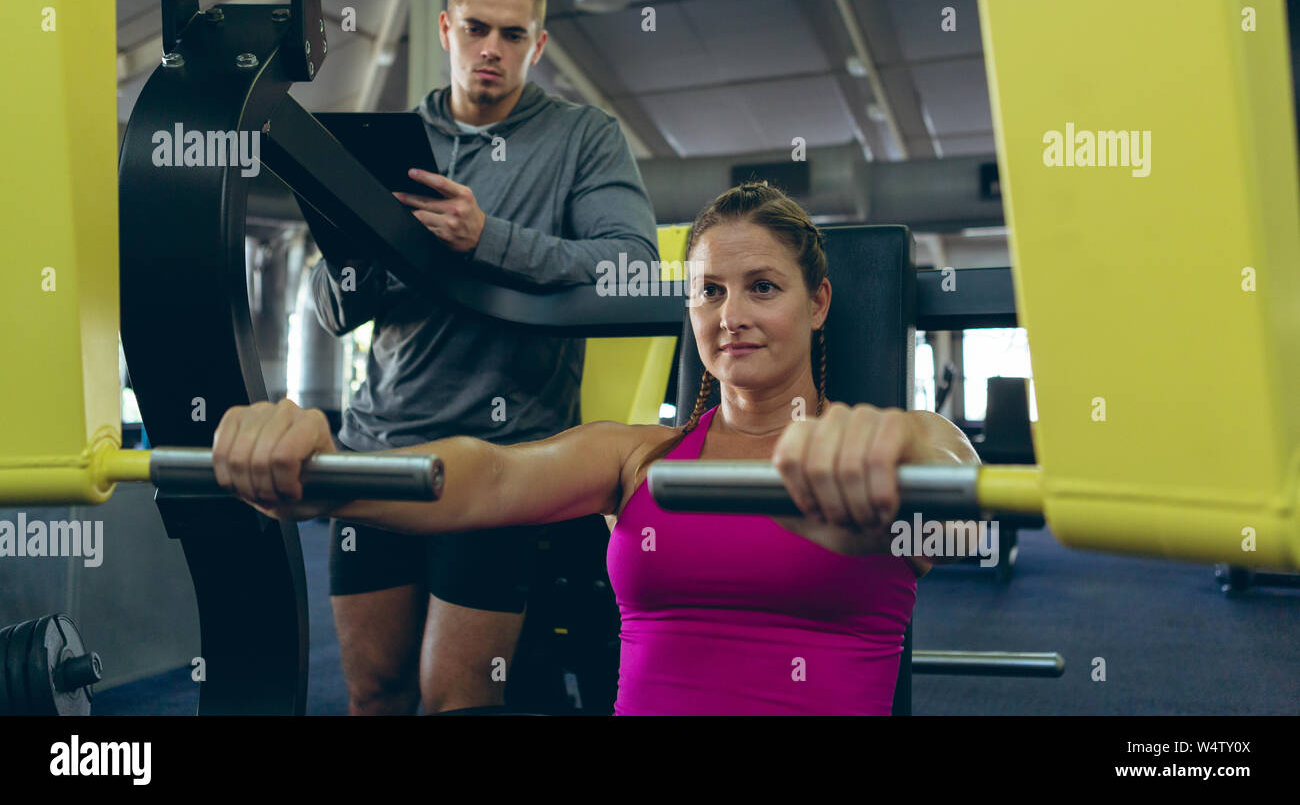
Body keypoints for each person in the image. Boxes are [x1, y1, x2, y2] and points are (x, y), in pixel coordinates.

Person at [218, 182, 979, 715]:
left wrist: (882, 501)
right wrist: (326, 481)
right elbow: (488, 478)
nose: (732, 315)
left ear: (818, 302)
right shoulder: (638, 459)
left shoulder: (897, 440)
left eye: (763, 288)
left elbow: (964, 506)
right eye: (710, 291)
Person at [305, 0, 659, 714]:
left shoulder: (582, 138)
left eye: (512, 34)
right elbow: (330, 308)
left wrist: (484, 237)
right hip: (377, 450)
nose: (491, 49)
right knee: (373, 692)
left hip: (503, 466)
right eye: (476, 29)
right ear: (445, 29)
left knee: (456, 698)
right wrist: (384, 251)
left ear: (537, 43)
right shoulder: (384, 147)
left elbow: (629, 266)